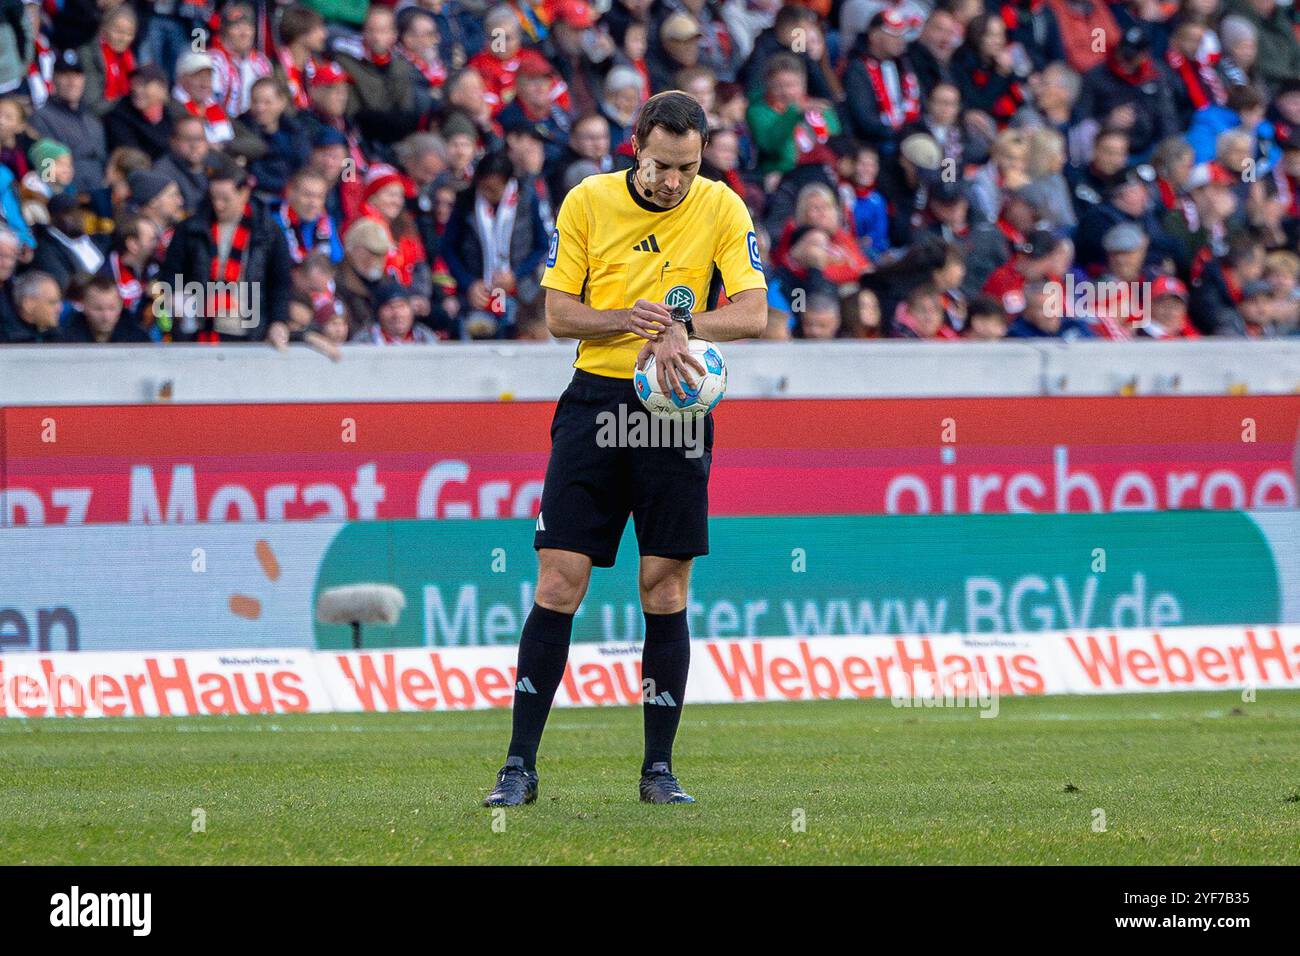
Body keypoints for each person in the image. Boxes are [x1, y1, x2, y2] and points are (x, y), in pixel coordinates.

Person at [481, 91, 766, 808]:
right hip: (597, 404)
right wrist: (624, 320)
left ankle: (658, 772)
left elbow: (754, 311)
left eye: (689, 167)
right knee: (559, 579)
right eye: (664, 165)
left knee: (664, 587)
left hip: (675, 410)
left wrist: (682, 324)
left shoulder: (723, 207)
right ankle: (518, 767)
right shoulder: (588, 200)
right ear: (636, 144)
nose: (675, 181)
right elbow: (556, 314)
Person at [161, 155, 291, 341]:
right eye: (214, 198)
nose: (218, 205)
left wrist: (279, 321)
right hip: (200, 328)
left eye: (225, 199)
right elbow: (171, 274)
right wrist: (176, 297)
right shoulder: (191, 229)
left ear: (244, 193)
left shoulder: (267, 231)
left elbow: (280, 282)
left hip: (249, 330)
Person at [64, 273, 150, 342]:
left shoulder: (138, 341)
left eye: (112, 308)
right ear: (84, 306)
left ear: (121, 306)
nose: (106, 316)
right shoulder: (65, 341)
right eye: (98, 309)